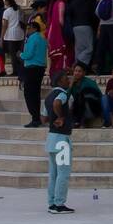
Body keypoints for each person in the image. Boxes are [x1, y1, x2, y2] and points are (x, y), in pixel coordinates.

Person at [43, 68, 75, 215]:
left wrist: (53, 119)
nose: (68, 80)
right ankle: (59, 204)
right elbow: (57, 104)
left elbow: (44, 118)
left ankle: (51, 203)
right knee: (63, 173)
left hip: (51, 139)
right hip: (62, 140)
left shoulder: (47, 97)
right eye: (66, 78)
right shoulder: (61, 94)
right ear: (60, 81)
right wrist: (61, 117)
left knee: (53, 173)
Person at [19, 18, 48, 127]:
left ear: (35, 28)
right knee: (35, 93)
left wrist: (20, 55)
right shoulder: (42, 38)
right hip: (40, 68)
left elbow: (28, 54)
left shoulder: (32, 38)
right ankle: (36, 117)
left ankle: (35, 118)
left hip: (31, 68)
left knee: (29, 94)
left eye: (29, 28)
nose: (27, 30)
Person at [69, 0, 98, 68]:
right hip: (86, 25)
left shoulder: (74, 0)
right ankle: (78, 63)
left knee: (79, 48)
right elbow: (94, 14)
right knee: (89, 48)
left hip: (75, 27)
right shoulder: (90, 0)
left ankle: (79, 68)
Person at [68, 62, 103, 127]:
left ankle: (79, 122)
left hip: (92, 107)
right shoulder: (73, 83)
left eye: (79, 71)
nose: (77, 73)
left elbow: (99, 97)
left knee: (81, 96)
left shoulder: (89, 83)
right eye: (75, 71)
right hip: (79, 107)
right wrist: (71, 85)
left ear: (84, 73)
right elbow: (65, 97)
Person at [46, 0, 69, 81]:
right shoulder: (61, 3)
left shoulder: (54, 3)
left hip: (52, 31)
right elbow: (60, 20)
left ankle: (53, 77)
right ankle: (58, 78)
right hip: (57, 31)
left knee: (54, 56)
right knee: (60, 54)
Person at [1, 0, 25, 81]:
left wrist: (1, 38)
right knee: (20, 53)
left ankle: (15, 71)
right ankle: (22, 69)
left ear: (7, 1)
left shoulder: (7, 12)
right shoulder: (18, 9)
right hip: (20, 34)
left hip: (10, 35)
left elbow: (4, 25)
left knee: (13, 55)